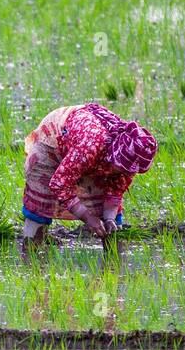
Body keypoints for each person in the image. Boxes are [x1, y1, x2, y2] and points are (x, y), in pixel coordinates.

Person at [21, 103, 156, 249]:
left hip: (90, 150)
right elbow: (59, 183)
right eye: (120, 168)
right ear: (115, 155)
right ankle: (31, 249)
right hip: (53, 139)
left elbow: (115, 190)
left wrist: (109, 219)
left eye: (128, 171)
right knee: (41, 201)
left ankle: (113, 262)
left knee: (109, 218)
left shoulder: (129, 163)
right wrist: (88, 218)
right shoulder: (90, 146)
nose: (124, 173)